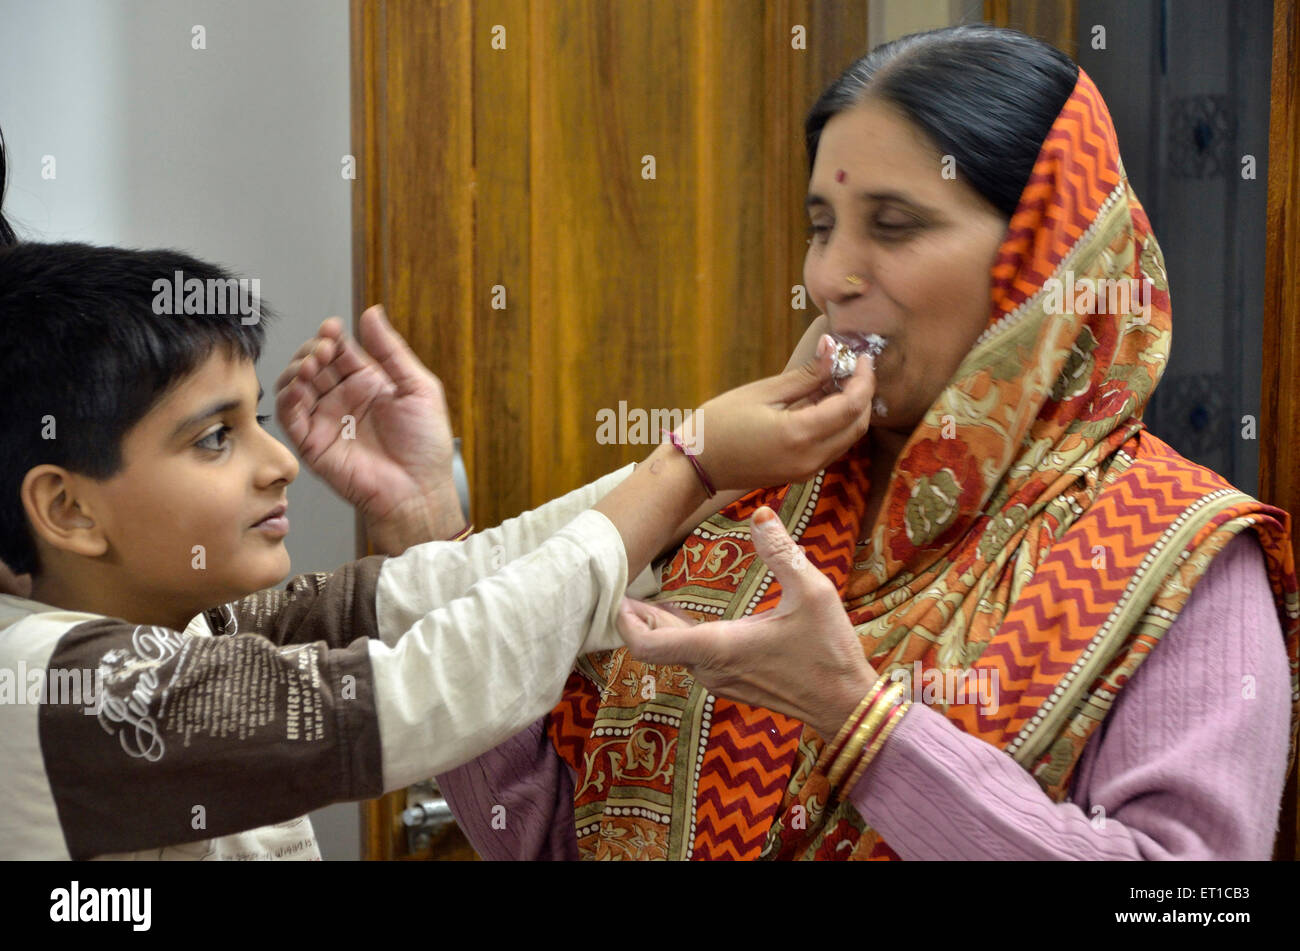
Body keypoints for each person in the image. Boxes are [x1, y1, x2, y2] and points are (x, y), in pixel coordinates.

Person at [433, 24, 1299, 860]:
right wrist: (426, 521)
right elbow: (554, 837)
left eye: (892, 224)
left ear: (1050, 262)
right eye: (821, 225)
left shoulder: (1176, 559)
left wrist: (866, 728)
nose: (826, 276)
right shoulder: (750, 504)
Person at [0, 239, 874, 859]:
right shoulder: (57, 688)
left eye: (257, 419)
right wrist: (688, 464)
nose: (279, 464)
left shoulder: (185, 619)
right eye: (214, 439)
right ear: (67, 508)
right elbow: (417, 689)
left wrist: (716, 453)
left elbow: (450, 582)